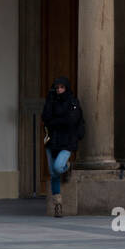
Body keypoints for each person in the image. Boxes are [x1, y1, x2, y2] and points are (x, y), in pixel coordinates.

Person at [41, 76, 83, 218]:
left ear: (66, 88)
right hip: (52, 142)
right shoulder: (51, 100)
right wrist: (50, 100)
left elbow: (72, 120)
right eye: (57, 87)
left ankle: (68, 166)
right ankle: (57, 205)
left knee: (59, 167)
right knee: (53, 174)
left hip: (67, 141)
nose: (59, 90)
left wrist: (55, 121)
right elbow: (45, 118)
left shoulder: (73, 101)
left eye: (62, 87)